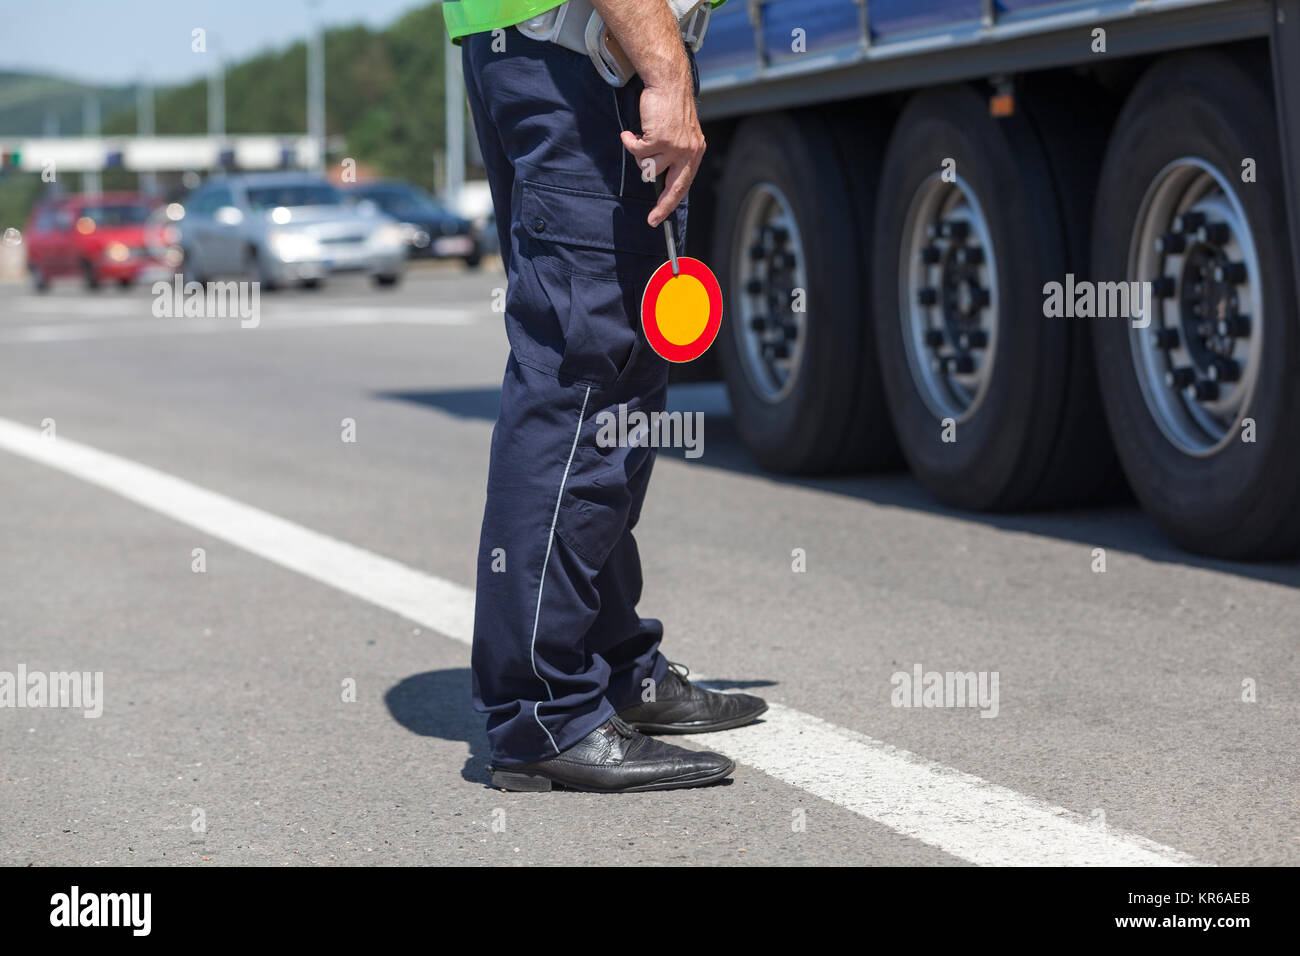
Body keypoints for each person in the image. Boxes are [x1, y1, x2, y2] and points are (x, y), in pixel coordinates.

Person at [444, 0, 767, 792]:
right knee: (583, 379)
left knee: (613, 380)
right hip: (588, 55)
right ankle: (545, 711)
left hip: (554, 48)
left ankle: (613, 664)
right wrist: (662, 66)